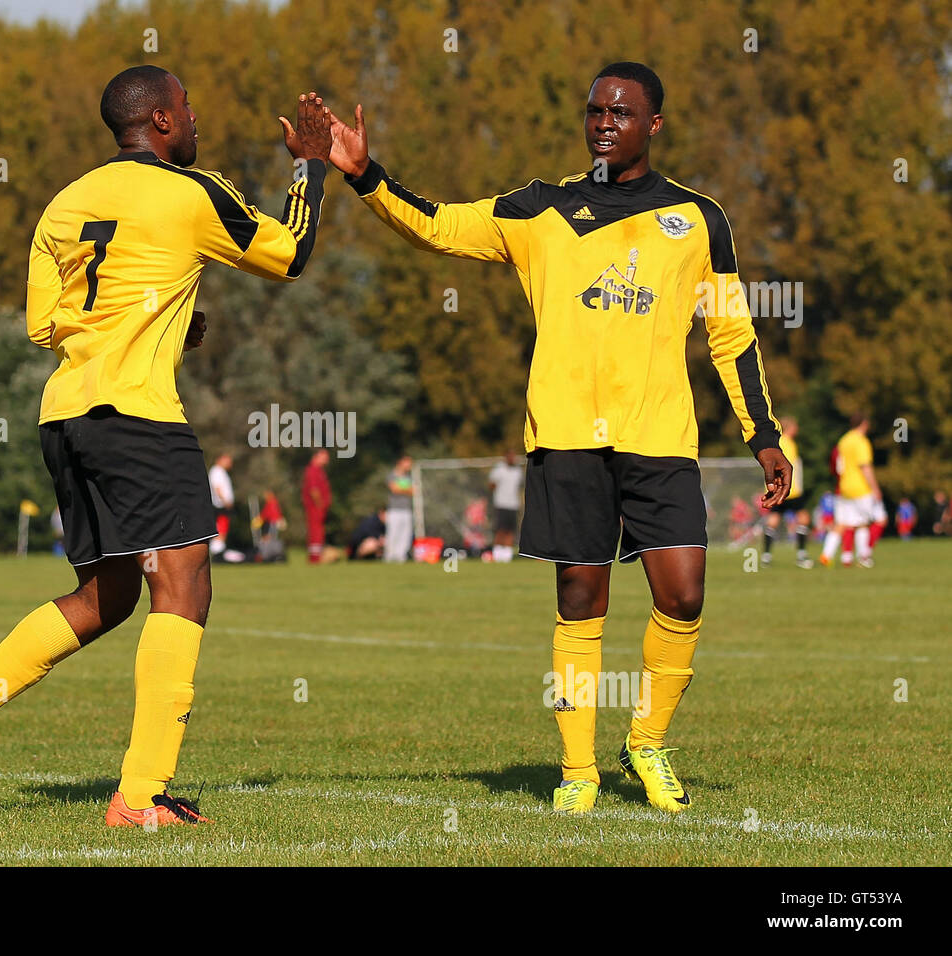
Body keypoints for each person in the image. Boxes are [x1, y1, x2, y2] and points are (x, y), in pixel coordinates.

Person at [328, 61, 790, 814]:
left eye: (622, 112)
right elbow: (439, 225)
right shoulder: (539, 208)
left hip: (661, 438)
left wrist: (762, 433)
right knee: (581, 598)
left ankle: (646, 745)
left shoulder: (699, 218)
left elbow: (730, 332)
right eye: (595, 111)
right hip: (568, 434)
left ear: (655, 125)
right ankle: (577, 772)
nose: (605, 122)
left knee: (684, 592)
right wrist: (365, 175)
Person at [0, 67, 332, 826]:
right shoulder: (192, 192)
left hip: (67, 416)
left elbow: (48, 324)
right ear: (161, 121)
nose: (196, 123)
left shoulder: (63, 205)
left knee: (107, 597)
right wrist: (312, 165)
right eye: (188, 109)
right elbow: (289, 250)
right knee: (185, 585)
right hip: (136, 419)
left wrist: (155, 317)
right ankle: (140, 796)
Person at [820, 415, 881, 568]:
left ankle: (826, 555)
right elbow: (865, 466)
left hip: (843, 487)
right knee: (864, 523)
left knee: (841, 523)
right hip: (860, 487)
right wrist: (875, 488)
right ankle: (863, 557)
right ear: (864, 423)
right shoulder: (861, 441)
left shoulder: (843, 440)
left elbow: (835, 465)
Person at [761, 415, 812, 568]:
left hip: (774, 488)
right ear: (790, 427)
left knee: (773, 519)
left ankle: (766, 556)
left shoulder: (774, 442)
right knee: (803, 518)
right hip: (790, 489)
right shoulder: (789, 443)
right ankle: (801, 555)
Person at [488, 449, 523, 562]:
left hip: (513, 505)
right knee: (500, 529)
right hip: (501, 504)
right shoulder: (499, 469)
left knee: (510, 530)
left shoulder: (518, 471)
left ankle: (507, 555)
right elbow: (492, 484)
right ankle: (497, 554)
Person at [208, 452, 243, 562]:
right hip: (220, 506)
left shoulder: (221, 472)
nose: (230, 463)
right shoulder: (217, 471)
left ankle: (220, 552)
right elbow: (217, 487)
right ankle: (217, 553)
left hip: (223, 506)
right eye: (228, 460)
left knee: (223, 529)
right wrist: (225, 501)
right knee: (220, 530)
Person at [301, 449, 332, 563]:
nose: (326, 460)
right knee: (315, 532)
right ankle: (315, 558)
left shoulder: (319, 471)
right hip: (315, 507)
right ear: (316, 456)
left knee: (319, 532)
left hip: (319, 508)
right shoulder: (312, 471)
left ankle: (317, 556)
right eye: (324, 457)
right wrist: (320, 504)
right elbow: (314, 490)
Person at [384, 455, 415, 562]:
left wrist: (402, 489)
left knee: (405, 534)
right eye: (407, 463)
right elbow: (394, 489)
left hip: (407, 509)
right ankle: (389, 556)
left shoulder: (409, 477)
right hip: (394, 510)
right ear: (401, 462)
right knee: (393, 533)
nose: (409, 466)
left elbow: (413, 491)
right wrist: (406, 489)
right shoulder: (392, 475)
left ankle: (401, 556)